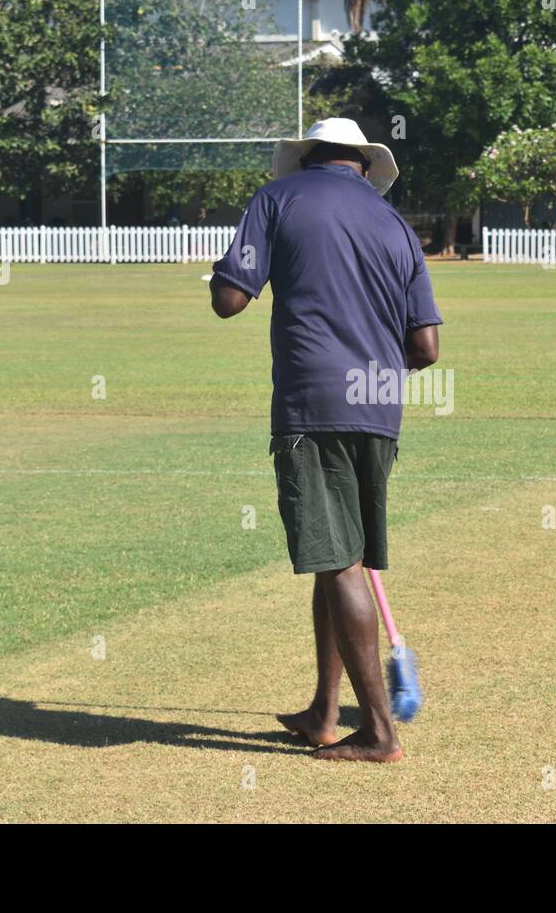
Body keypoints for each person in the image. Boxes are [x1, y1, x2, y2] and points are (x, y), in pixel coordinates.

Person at [209, 118, 441, 763]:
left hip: (314, 401)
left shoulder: (276, 199)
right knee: (340, 555)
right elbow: (426, 347)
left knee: (337, 560)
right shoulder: (396, 225)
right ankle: (322, 710)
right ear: (364, 165)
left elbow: (230, 299)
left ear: (308, 158)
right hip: (380, 404)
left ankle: (378, 733)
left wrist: (219, 274)